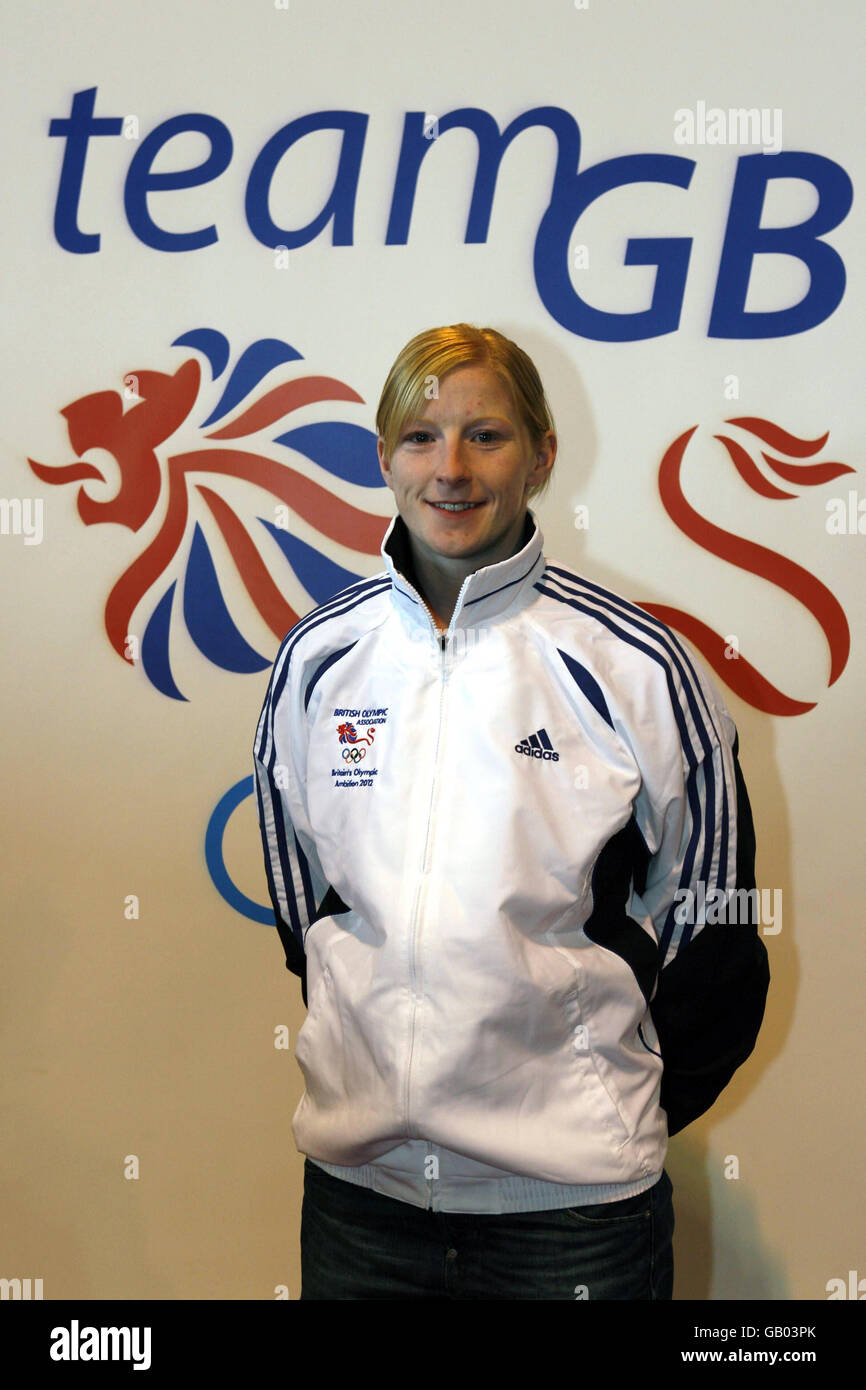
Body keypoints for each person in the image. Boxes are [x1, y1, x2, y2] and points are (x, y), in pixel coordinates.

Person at [253, 323, 770, 1300]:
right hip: (361, 1207)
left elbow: (722, 945)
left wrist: (589, 1115)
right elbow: (306, 925)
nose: (448, 467)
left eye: (483, 434)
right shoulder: (315, 663)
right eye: (419, 437)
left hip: (573, 1219)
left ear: (540, 454)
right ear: (382, 457)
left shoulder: (638, 668)